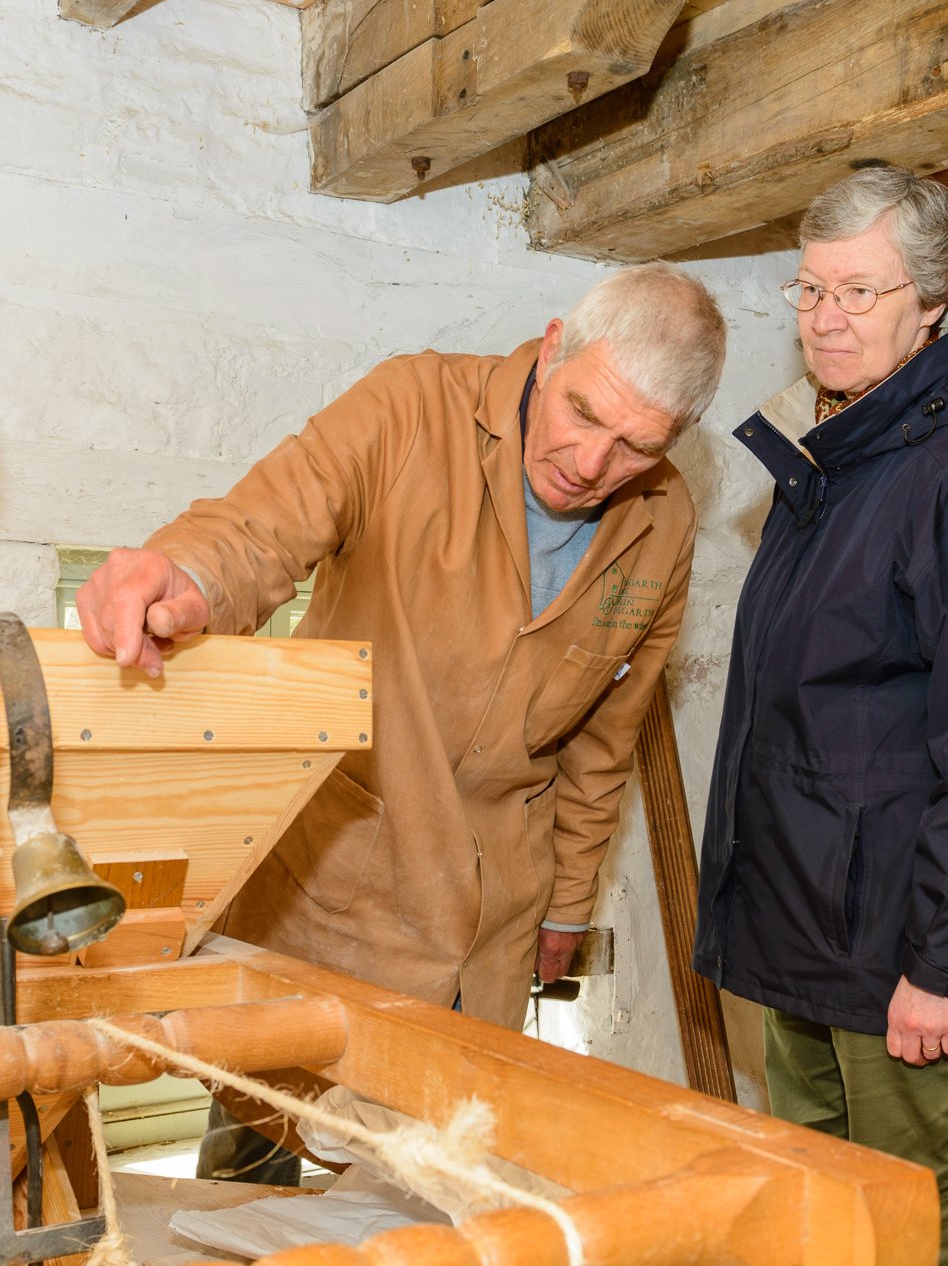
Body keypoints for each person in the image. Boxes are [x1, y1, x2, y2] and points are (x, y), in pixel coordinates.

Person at [77, 261, 727, 1182]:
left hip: (493, 920)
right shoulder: (411, 408)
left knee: (432, 1185)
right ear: (552, 347)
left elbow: (605, 739)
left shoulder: (664, 525)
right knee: (257, 1160)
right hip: (339, 884)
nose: (589, 465)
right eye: (583, 413)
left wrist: (568, 902)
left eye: (634, 446)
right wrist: (187, 576)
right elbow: (261, 525)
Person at [692, 166, 948, 1264]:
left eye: (860, 291)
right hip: (805, 927)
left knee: (917, 1232)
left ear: (931, 302)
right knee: (819, 1225)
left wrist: (941, 964)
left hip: (897, 950)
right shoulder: (833, 453)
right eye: (811, 289)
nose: (826, 317)